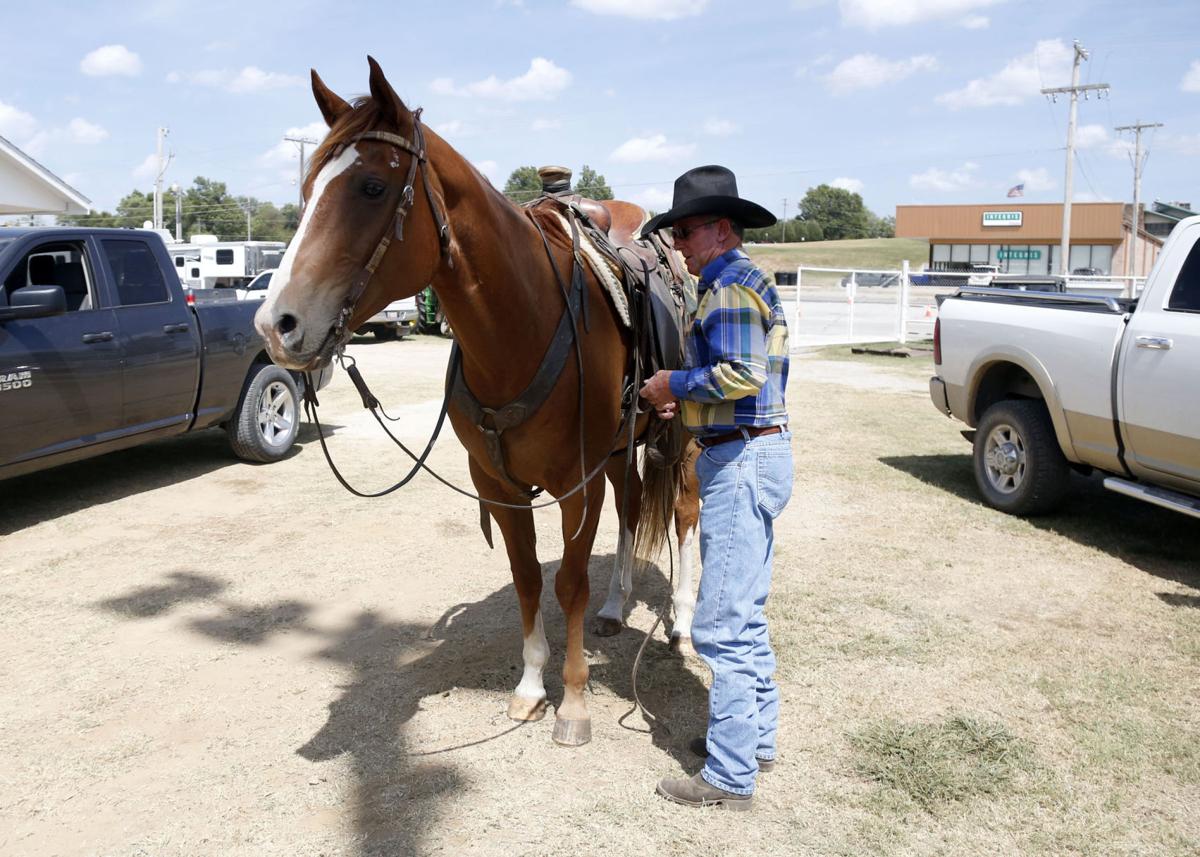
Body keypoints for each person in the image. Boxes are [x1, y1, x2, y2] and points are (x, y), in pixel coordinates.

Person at [638, 165, 793, 811]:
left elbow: (741, 372)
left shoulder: (728, 287)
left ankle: (730, 776)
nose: (677, 242)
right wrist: (694, 405)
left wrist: (674, 386)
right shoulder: (740, 280)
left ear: (721, 228)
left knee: (722, 625)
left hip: (739, 462)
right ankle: (755, 738)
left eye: (686, 229)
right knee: (746, 612)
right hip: (756, 449)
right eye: (673, 231)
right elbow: (740, 382)